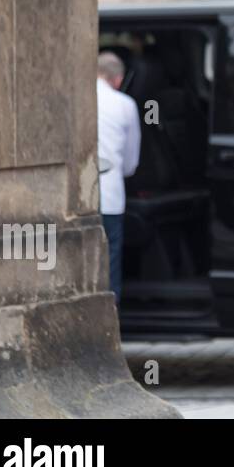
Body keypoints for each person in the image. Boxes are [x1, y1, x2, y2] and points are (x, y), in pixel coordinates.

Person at [96, 51, 141, 307]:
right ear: (118, 79)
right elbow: (130, 162)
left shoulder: (76, 99)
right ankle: (110, 319)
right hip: (110, 196)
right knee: (109, 262)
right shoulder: (125, 104)